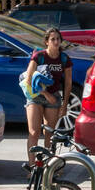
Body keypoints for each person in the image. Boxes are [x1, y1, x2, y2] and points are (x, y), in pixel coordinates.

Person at [21, 28, 72, 160]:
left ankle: (49, 166)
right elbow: (29, 79)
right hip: (36, 95)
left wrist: (64, 105)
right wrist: (45, 93)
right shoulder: (39, 56)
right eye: (52, 39)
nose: (56, 42)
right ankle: (32, 167)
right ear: (46, 42)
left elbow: (68, 84)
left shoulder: (64, 59)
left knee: (49, 133)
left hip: (54, 97)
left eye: (58, 39)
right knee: (34, 132)